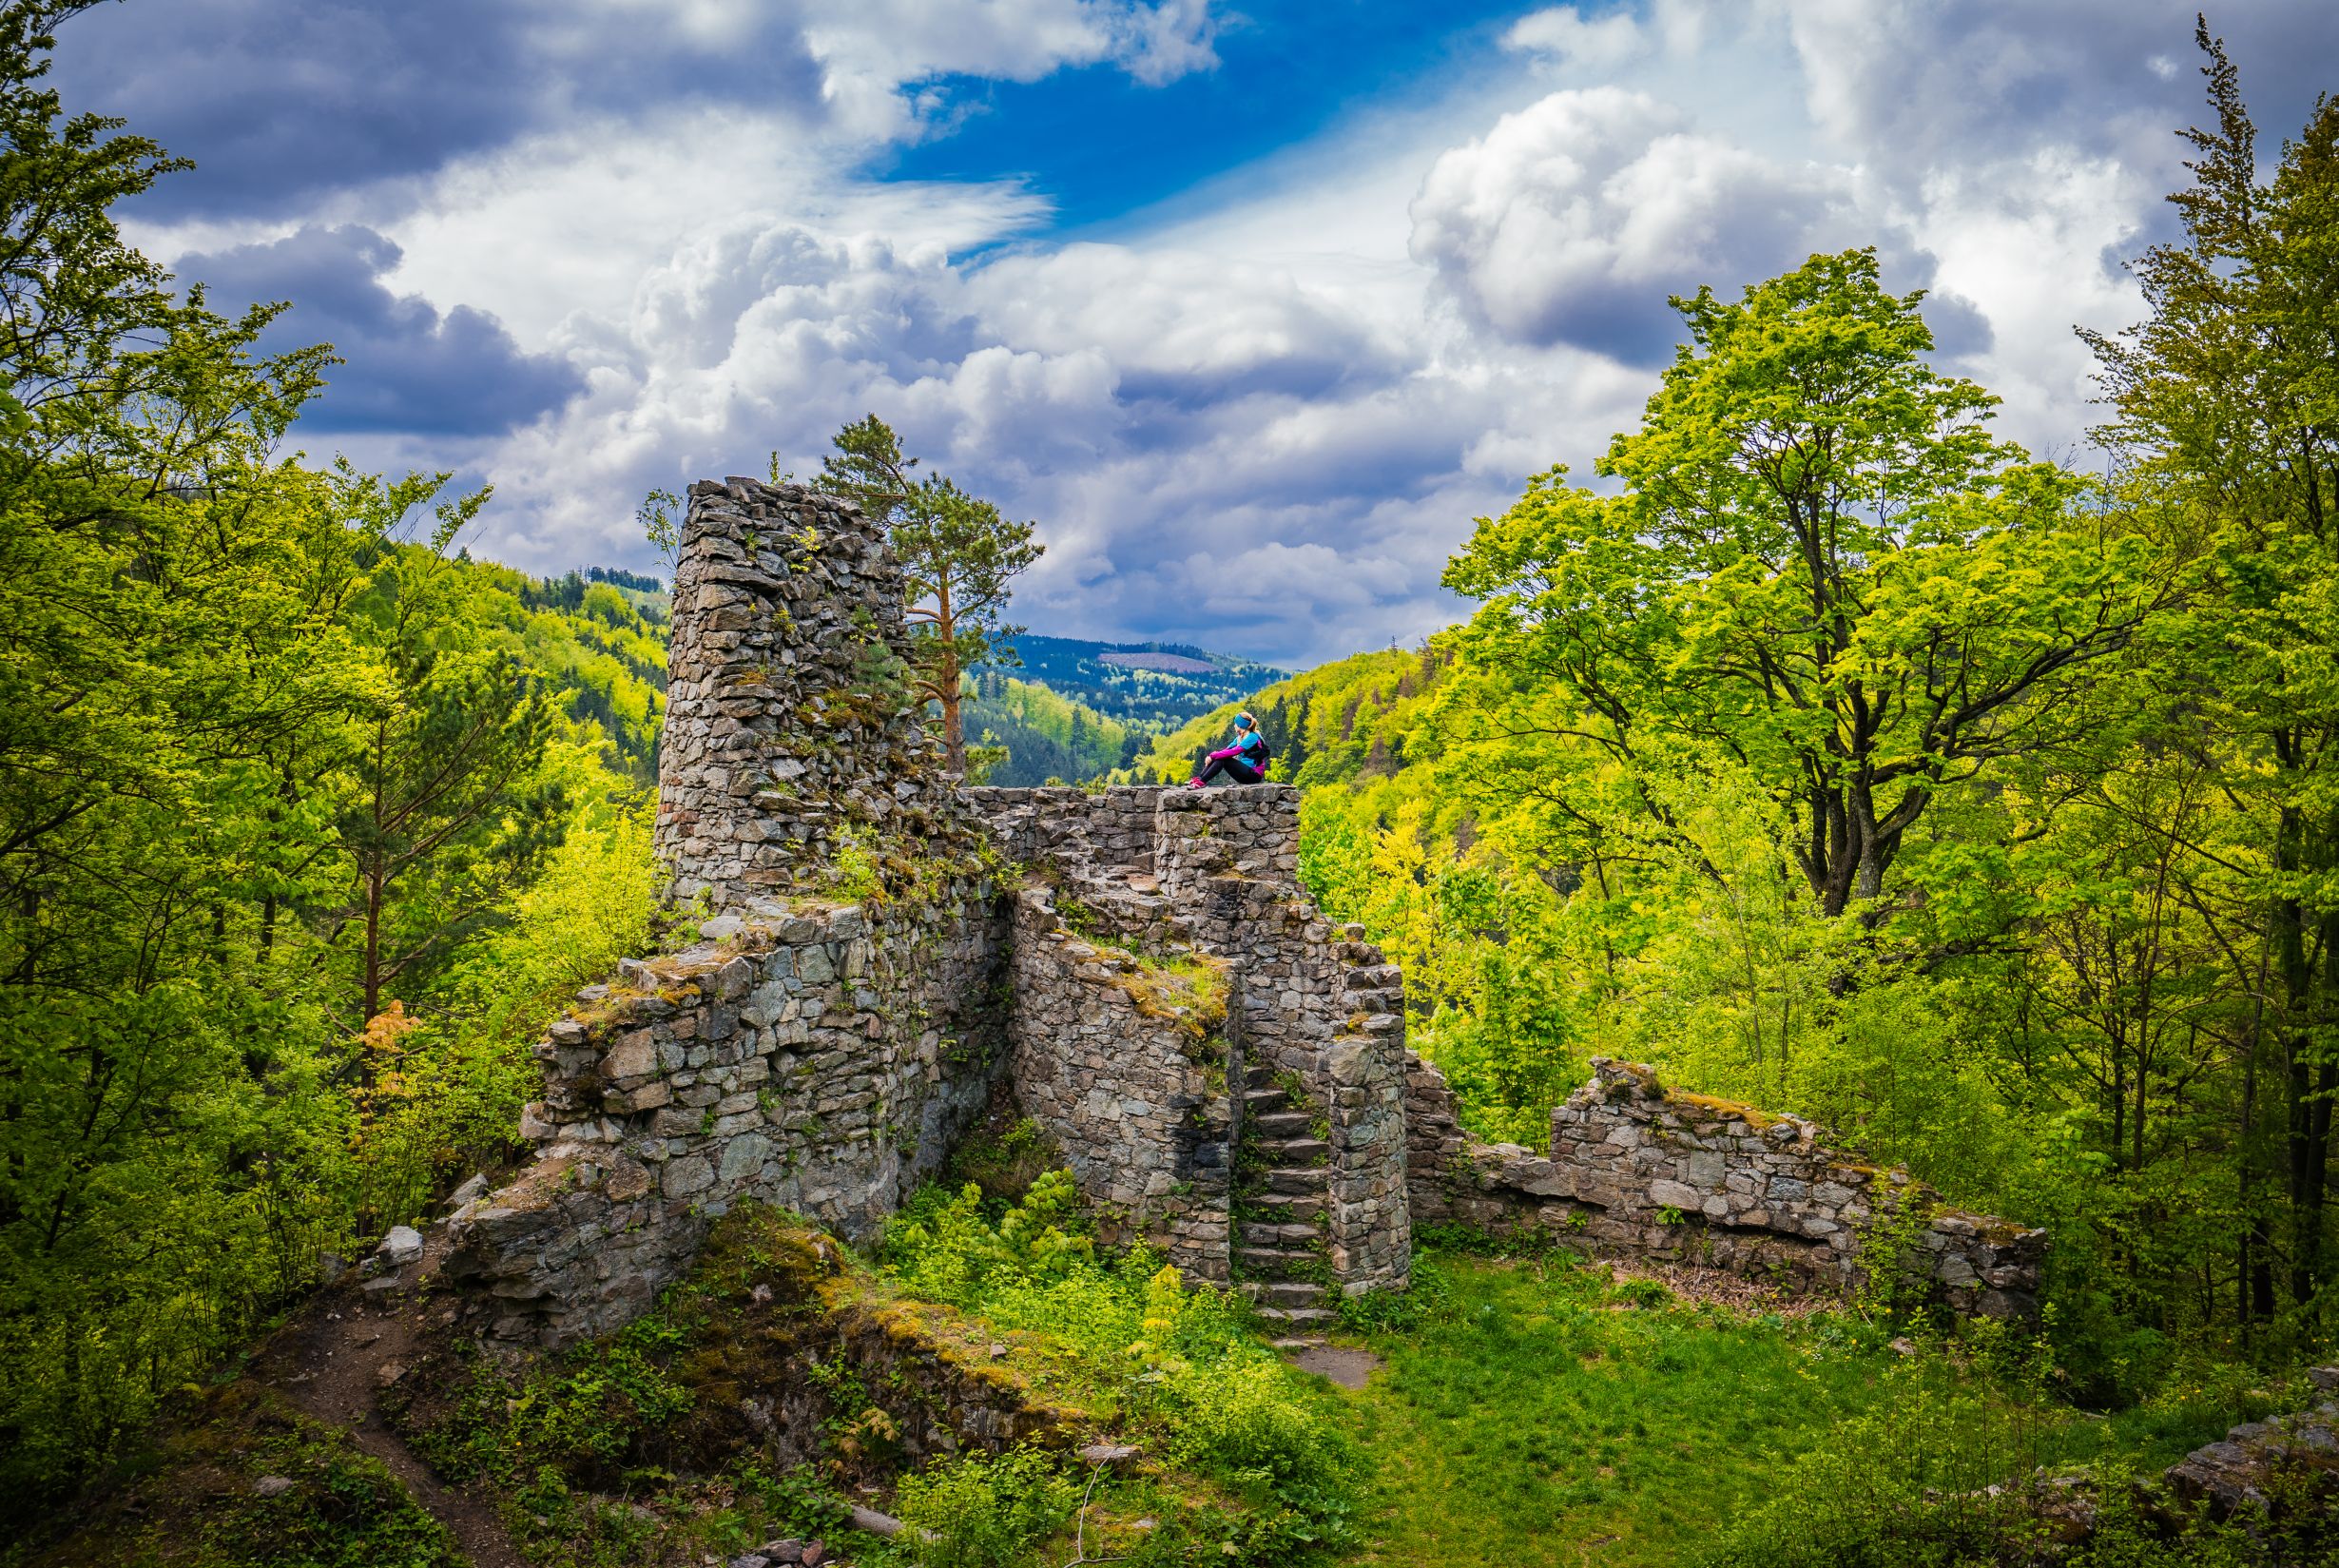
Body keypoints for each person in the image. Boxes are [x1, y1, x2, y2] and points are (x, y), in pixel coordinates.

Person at [1189, 711, 1271, 788]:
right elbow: (1226, 750)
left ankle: (1202, 782)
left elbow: (1234, 752)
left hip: (1254, 775)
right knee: (1220, 757)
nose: (1234, 725)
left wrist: (1212, 756)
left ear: (1240, 726)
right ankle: (1200, 778)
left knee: (1223, 759)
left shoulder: (1252, 737)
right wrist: (1212, 756)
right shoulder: (1240, 738)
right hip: (1244, 773)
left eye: (1236, 724)